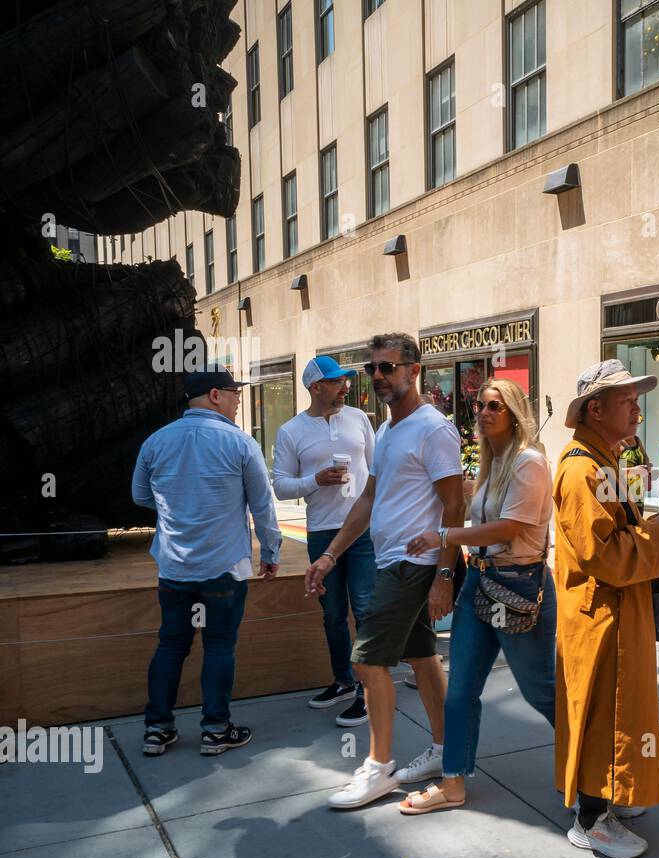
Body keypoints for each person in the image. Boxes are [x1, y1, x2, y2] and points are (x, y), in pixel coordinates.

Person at [303, 333, 465, 810]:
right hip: (390, 558)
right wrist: (330, 554)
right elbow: (369, 499)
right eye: (373, 368)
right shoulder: (388, 430)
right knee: (421, 657)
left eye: (388, 367)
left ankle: (378, 766)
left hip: (415, 564)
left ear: (415, 371)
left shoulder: (433, 429)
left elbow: (455, 504)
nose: (378, 376)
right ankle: (443, 749)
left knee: (367, 660)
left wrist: (444, 574)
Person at [394, 379, 556, 812]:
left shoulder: (528, 462)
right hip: (479, 585)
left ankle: (593, 765)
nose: (483, 413)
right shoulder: (493, 460)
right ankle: (452, 785)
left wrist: (443, 535)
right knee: (460, 690)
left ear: (514, 413)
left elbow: (511, 528)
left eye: (494, 407)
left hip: (517, 587)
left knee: (542, 691)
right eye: (479, 406)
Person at [554, 359, 659, 858]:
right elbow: (604, 555)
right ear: (595, 408)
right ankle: (591, 816)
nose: (637, 411)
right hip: (600, 617)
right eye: (627, 401)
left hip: (614, 614)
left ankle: (610, 793)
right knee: (604, 713)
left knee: (619, 712)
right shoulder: (583, 467)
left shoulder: (601, 459)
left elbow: (615, 533)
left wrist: (646, 524)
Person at [131, 367, 281, 757]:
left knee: (170, 645)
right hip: (224, 567)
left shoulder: (155, 442)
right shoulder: (240, 443)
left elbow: (140, 496)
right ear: (215, 395)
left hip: (174, 567)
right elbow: (262, 505)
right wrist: (271, 551)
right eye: (234, 394)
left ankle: (157, 729)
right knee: (219, 646)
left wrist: (175, 505)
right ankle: (215, 729)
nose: (237, 402)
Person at [273, 355, 375, 728]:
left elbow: (378, 473)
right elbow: (280, 486)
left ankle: (367, 691)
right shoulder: (291, 431)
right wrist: (315, 479)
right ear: (316, 387)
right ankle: (343, 681)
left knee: (364, 610)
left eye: (345, 380)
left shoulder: (360, 419)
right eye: (337, 382)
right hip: (322, 530)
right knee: (332, 614)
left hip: (364, 530)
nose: (346, 386)